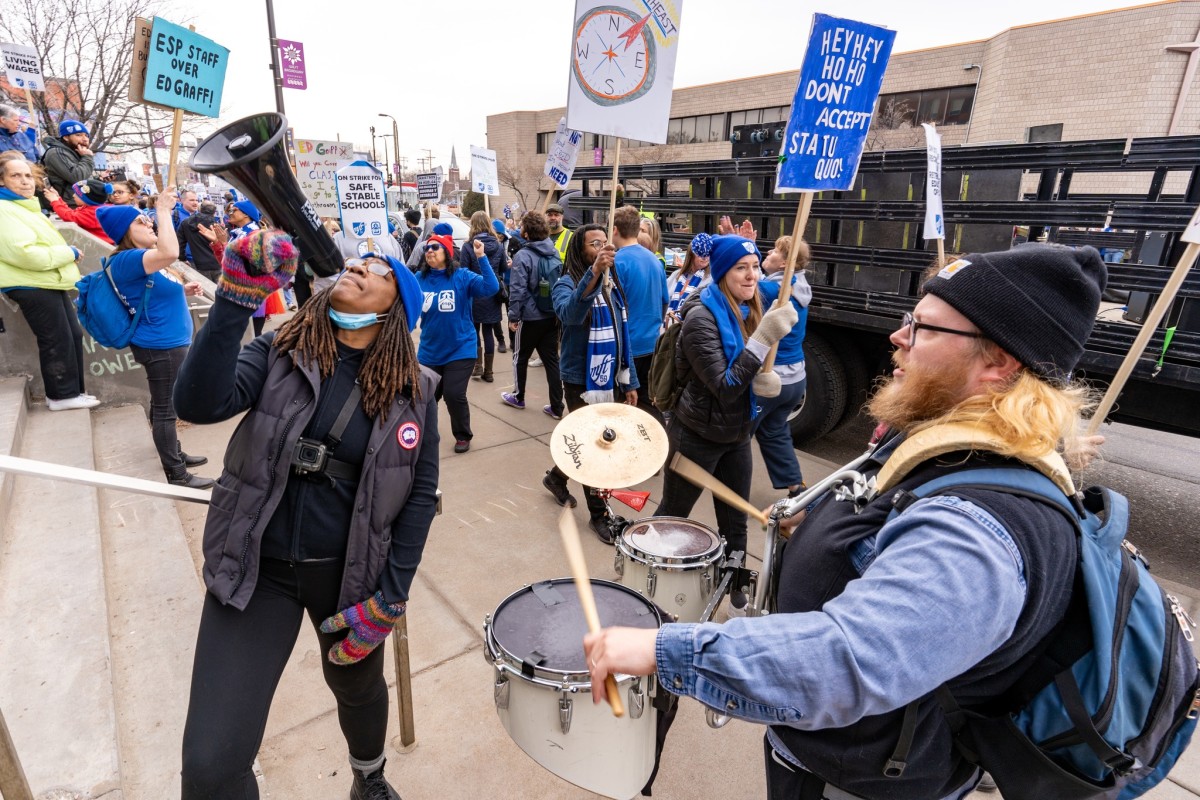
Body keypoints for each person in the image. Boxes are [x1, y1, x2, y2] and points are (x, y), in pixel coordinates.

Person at [584, 244, 1110, 800]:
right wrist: (821, 529)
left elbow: (845, 662)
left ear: (998, 362)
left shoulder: (977, 527)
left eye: (924, 327)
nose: (898, 336)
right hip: (832, 755)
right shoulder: (949, 442)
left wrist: (664, 650)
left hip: (859, 781)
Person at [174, 229, 435, 800]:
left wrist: (390, 598)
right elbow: (196, 403)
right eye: (357, 261)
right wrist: (234, 300)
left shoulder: (416, 391)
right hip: (256, 574)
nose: (360, 266)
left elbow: (420, 497)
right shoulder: (280, 350)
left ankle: (368, 776)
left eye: (380, 270)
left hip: (348, 581)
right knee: (210, 767)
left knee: (358, 690)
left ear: (397, 309)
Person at [653, 235, 796, 607]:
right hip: (696, 436)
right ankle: (648, 581)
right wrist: (762, 340)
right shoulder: (701, 318)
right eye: (740, 268)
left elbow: (745, 372)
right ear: (721, 273)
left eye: (754, 266)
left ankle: (735, 594)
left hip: (736, 433)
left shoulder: (747, 308)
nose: (751, 276)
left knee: (735, 522)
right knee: (672, 517)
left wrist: (763, 376)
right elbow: (726, 385)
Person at [95, 193, 213, 488]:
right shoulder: (129, 259)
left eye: (148, 219)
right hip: (161, 346)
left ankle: (174, 452)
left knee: (163, 401)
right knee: (166, 408)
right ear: (124, 232)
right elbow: (171, 251)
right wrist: (161, 210)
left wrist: (183, 291)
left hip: (167, 343)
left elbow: (148, 294)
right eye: (140, 221)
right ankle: (176, 472)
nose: (149, 224)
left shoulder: (141, 259)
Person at [542, 223, 638, 542]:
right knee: (594, 447)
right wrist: (593, 273)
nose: (602, 248)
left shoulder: (612, 285)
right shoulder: (566, 282)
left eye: (605, 243)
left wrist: (630, 380)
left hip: (610, 377)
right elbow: (569, 314)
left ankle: (556, 478)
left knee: (588, 442)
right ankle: (600, 515)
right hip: (579, 380)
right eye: (594, 244)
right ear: (580, 250)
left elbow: (623, 337)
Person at [0, 152, 96, 411]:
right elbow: (24, 253)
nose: (25, 181)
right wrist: (69, 253)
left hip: (46, 280)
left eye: (28, 175)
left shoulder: (24, 206)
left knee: (72, 335)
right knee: (56, 338)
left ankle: (75, 392)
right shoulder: (4, 209)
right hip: (30, 283)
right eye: (16, 176)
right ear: (2, 181)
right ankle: (61, 396)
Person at [415, 230, 498, 453]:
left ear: (447, 252)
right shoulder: (419, 279)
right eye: (427, 248)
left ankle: (462, 435)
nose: (429, 251)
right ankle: (423, 434)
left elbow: (491, 287)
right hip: (429, 351)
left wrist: (482, 257)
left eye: (435, 247)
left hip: (460, 348)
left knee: (453, 394)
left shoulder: (462, 276)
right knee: (425, 397)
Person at [753, 234, 812, 497]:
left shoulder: (771, 291)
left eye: (774, 251)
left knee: (735, 437)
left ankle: (731, 488)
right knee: (774, 431)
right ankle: (796, 488)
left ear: (784, 263)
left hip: (770, 377)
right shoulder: (798, 285)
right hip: (795, 379)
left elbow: (736, 282)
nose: (768, 252)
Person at [501, 210, 565, 418]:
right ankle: (557, 407)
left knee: (520, 357)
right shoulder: (553, 252)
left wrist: (513, 316)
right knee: (552, 361)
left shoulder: (523, 255)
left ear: (526, 233)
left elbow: (517, 289)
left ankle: (518, 396)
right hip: (551, 315)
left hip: (530, 317)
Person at [612, 205, 669, 423]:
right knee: (647, 402)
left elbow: (613, 311)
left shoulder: (617, 262)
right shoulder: (654, 260)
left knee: (627, 408)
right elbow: (664, 301)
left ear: (614, 230)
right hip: (651, 344)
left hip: (628, 348)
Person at [459, 211, 507, 382]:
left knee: (475, 331)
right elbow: (503, 268)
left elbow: (463, 270)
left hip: (474, 293)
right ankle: (489, 371)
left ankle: (477, 365)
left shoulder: (468, 246)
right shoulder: (498, 245)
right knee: (488, 332)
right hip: (492, 293)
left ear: (472, 225)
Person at [664, 232, 713, 328]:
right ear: (691, 254)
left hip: (693, 328)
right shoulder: (676, 275)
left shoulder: (711, 278)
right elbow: (662, 297)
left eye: (708, 253)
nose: (705, 257)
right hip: (668, 329)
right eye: (700, 253)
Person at [44, 179, 113, 243]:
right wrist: (58, 198)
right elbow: (71, 213)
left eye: (77, 194)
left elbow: (69, 216)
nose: (73, 195)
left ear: (88, 199)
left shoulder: (93, 213)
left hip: (101, 248)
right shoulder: (91, 208)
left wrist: (55, 201)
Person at [42, 119, 95, 202]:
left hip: (82, 202)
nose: (85, 139)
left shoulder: (77, 153)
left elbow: (85, 179)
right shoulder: (56, 152)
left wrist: (100, 179)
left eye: (86, 135)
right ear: (66, 137)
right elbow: (77, 178)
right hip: (68, 204)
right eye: (78, 135)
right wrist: (87, 157)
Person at [176, 201, 222, 281]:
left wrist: (182, 258)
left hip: (200, 264)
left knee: (205, 288)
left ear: (199, 209)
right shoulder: (217, 225)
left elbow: (180, 243)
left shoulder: (185, 223)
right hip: (217, 264)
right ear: (214, 212)